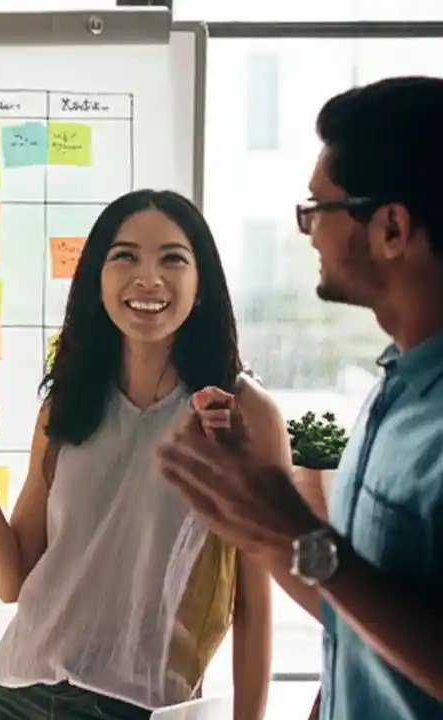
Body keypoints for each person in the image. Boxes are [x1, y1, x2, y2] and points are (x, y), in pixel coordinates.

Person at [156, 76, 443, 719]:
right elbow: (357, 608)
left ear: (392, 227)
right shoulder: (389, 396)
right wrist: (254, 518)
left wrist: (296, 530)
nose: (307, 231)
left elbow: (331, 565)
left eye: (319, 209)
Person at [0, 189, 275, 719]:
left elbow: (254, 603)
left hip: (139, 704)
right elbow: (12, 579)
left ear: (202, 284)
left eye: (172, 259)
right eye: (125, 257)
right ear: (97, 277)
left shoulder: (241, 411)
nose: (148, 278)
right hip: (16, 693)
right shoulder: (67, 403)